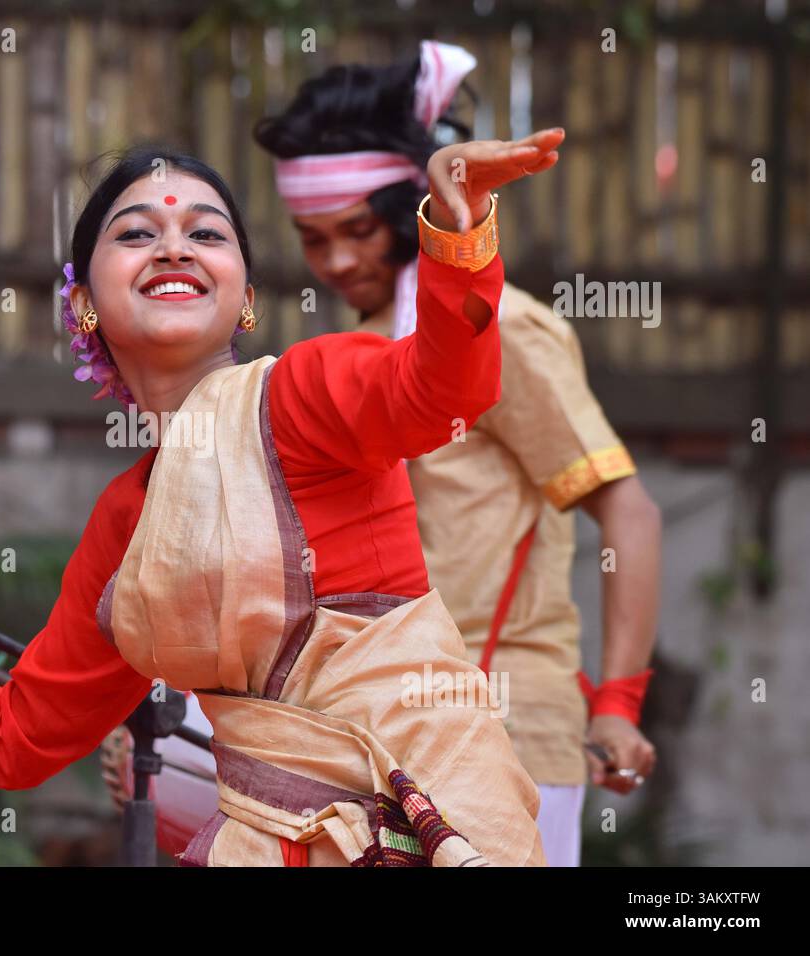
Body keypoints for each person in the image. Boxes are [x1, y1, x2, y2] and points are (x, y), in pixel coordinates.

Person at [0, 131, 564, 866]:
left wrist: (460, 234)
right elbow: (15, 734)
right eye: (136, 234)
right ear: (86, 306)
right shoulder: (128, 525)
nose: (174, 244)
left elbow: (444, 393)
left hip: (443, 820)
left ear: (246, 299)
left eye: (206, 233)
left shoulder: (305, 392)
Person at [252, 40, 662, 866]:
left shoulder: (498, 324)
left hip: (508, 724)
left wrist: (618, 700)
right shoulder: (358, 347)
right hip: (386, 734)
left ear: (411, 207)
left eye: (358, 231)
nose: (337, 260)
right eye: (313, 238)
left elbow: (629, 508)